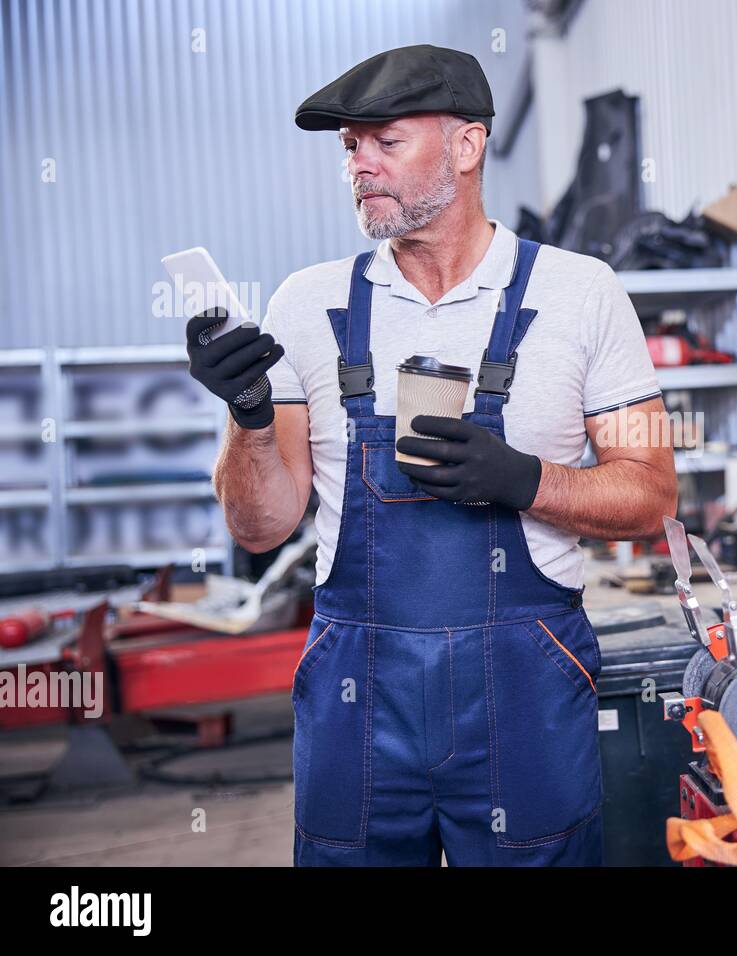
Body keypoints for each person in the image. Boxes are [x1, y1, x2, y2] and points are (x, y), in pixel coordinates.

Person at [184, 45, 677, 866]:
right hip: (359, 692)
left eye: (386, 142)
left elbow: (653, 494)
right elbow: (262, 524)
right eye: (350, 148)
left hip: (525, 688)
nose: (360, 167)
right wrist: (250, 415)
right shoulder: (307, 304)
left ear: (467, 146)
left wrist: (524, 480)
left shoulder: (583, 292)